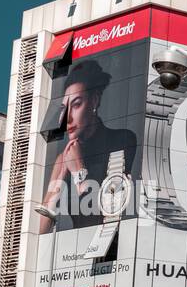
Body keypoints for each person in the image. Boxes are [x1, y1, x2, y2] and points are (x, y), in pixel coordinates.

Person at [37, 59, 138, 232]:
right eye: (63, 109)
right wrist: (57, 185)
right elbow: (40, 231)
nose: (68, 118)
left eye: (76, 104)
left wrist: (79, 172)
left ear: (94, 101)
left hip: (112, 250)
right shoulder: (64, 158)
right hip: (72, 252)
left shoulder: (121, 140)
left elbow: (107, 213)